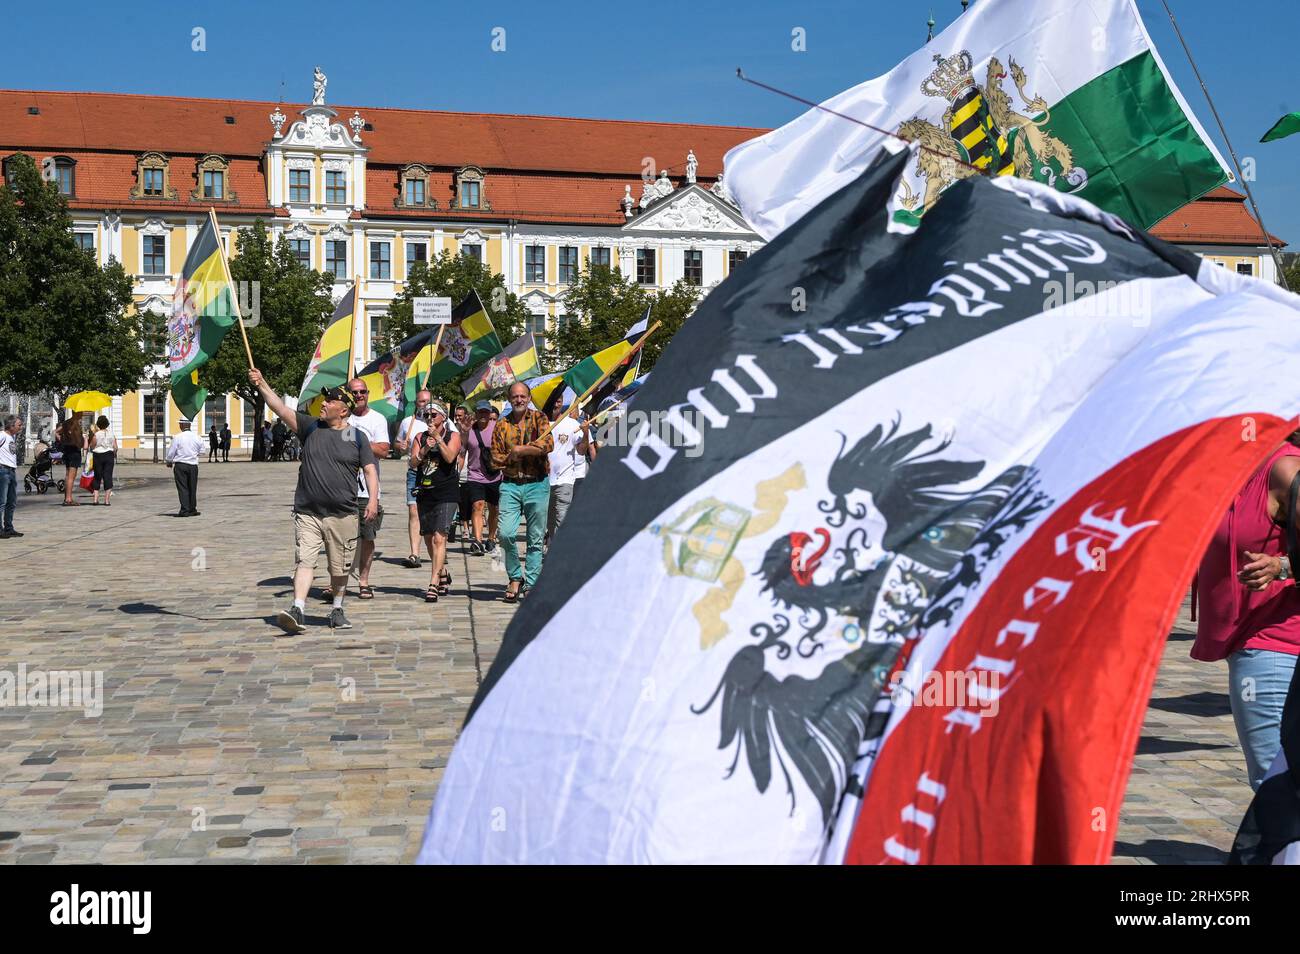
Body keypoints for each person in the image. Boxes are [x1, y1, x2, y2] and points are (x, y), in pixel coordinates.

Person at [1194, 434, 1300, 791]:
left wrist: (1281, 566)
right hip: (1255, 640)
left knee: (1276, 784)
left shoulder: (1286, 470)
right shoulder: (1231, 468)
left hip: (1277, 644)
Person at [249, 369, 377, 634]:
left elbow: (370, 471)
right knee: (304, 560)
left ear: (343, 411)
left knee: (339, 567)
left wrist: (373, 500)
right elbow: (280, 408)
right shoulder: (310, 427)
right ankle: (298, 607)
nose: (324, 404)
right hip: (308, 511)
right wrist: (261, 383)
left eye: (330, 401)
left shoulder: (357, 437)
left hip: (343, 513)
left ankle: (337, 609)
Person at [491, 381, 553, 603]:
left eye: (523, 396)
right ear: (509, 399)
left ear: (528, 398)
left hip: (537, 484)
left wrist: (520, 450)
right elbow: (496, 457)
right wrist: (512, 457)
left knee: (535, 539)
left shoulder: (539, 419)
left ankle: (532, 583)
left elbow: (547, 445)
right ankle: (515, 576)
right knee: (505, 533)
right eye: (515, 397)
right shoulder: (501, 425)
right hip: (510, 484)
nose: (519, 400)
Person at [342, 378, 390, 602]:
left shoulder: (377, 419)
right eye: (355, 392)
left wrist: (357, 440)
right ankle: (338, 580)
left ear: (368, 394)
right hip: (342, 487)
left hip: (366, 490)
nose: (359, 395)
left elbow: (383, 450)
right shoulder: (342, 418)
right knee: (339, 537)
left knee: (367, 537)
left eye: (362, 392)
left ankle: (363, 581)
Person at [410, 402, 462, 602]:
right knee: (429, 538)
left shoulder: (453, 436)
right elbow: (413, 463)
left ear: (443, 417)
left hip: (446, 492)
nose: (429, 418)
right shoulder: (420, 437)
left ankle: (433, 581)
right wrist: (423, 450)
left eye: (433, 414)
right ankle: (442, 572)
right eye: (426, 415)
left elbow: (450, 458)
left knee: (440, 538)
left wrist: (439, 440)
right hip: (425, 491)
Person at [394, 389, 431, 568]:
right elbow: (397, 443)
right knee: (414, 511)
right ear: (416, 404)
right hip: (414, 471)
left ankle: (437, 549)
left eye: (427, 401)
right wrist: (400, 445)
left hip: (434, 472)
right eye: (421, 402)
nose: (423, 405)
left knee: (432, 513)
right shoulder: (408, 422)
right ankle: (414, 553)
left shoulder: (441, 421)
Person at [545, 405, 588, 549]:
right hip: (543, 481)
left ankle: (559, 551)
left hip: (565, 480)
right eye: (553, 401)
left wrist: (586, 433)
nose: (556, 405)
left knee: (562, 518)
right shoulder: (540, 422)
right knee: (549, 520)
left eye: (559, 401)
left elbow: (582, 451)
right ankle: (552, 543)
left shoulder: (572, 424)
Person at [464, 399, 501, 556]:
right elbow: (461, 451)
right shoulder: (469, 430)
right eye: (481, 412)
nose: (483, 415)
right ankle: (477, 541)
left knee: (495, 509)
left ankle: (491, 538)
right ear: (476, 413)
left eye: (486, 412)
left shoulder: (498, 429)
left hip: (495, 475)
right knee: (477, 506)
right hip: (475, 475)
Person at [165, 418, 203, 517]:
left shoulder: (178, 437)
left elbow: (172, 451)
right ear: (189, 425)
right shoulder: (197, 437)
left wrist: (169, 461)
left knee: (183, 487)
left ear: (181, 425)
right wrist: (193, 454)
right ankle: (192, 508)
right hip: (193, 465)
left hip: (181, 464)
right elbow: (202, 451)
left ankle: (185, 510)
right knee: (192, 487)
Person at [0, 414, 23, 538]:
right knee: (2, 501)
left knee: (11, 501)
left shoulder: (12, 437)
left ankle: (9, 528)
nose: (21, 427)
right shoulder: (2, 435)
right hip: (3, 470)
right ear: (11, 425)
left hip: (11, 471)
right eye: (19, 425)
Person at [453, 404, 472, 543]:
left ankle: (466, 527)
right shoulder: (451, 429)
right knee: (455, 502)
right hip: (454, 472)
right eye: (456, 416)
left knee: (466, 503)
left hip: (468, 472)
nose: (458, 418)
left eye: (460, 415)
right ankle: (455, 527)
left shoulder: (470, 430)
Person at [89, 415, 118, 506]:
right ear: (107, 424)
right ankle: (107, 501)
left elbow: (92, 446)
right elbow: (115, 447)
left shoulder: (96, 435)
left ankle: (95, 499)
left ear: (98, 424)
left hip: (98, 455)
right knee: (108, 476)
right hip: (109, 455)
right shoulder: (112, 434)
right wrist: (114, 453)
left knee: (97, 476)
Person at [60, 414, 84, 506]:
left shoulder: (66, 423)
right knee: (71, 477)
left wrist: (62, 442)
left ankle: (66, 497)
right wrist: (84, 439)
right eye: (81, 412)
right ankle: (68, 499)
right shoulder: (76, 425)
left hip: (67, 451)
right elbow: (79, 442)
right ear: (77, 413)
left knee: (67, 475)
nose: (82, 414)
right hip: (74, 452)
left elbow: (57, 432)